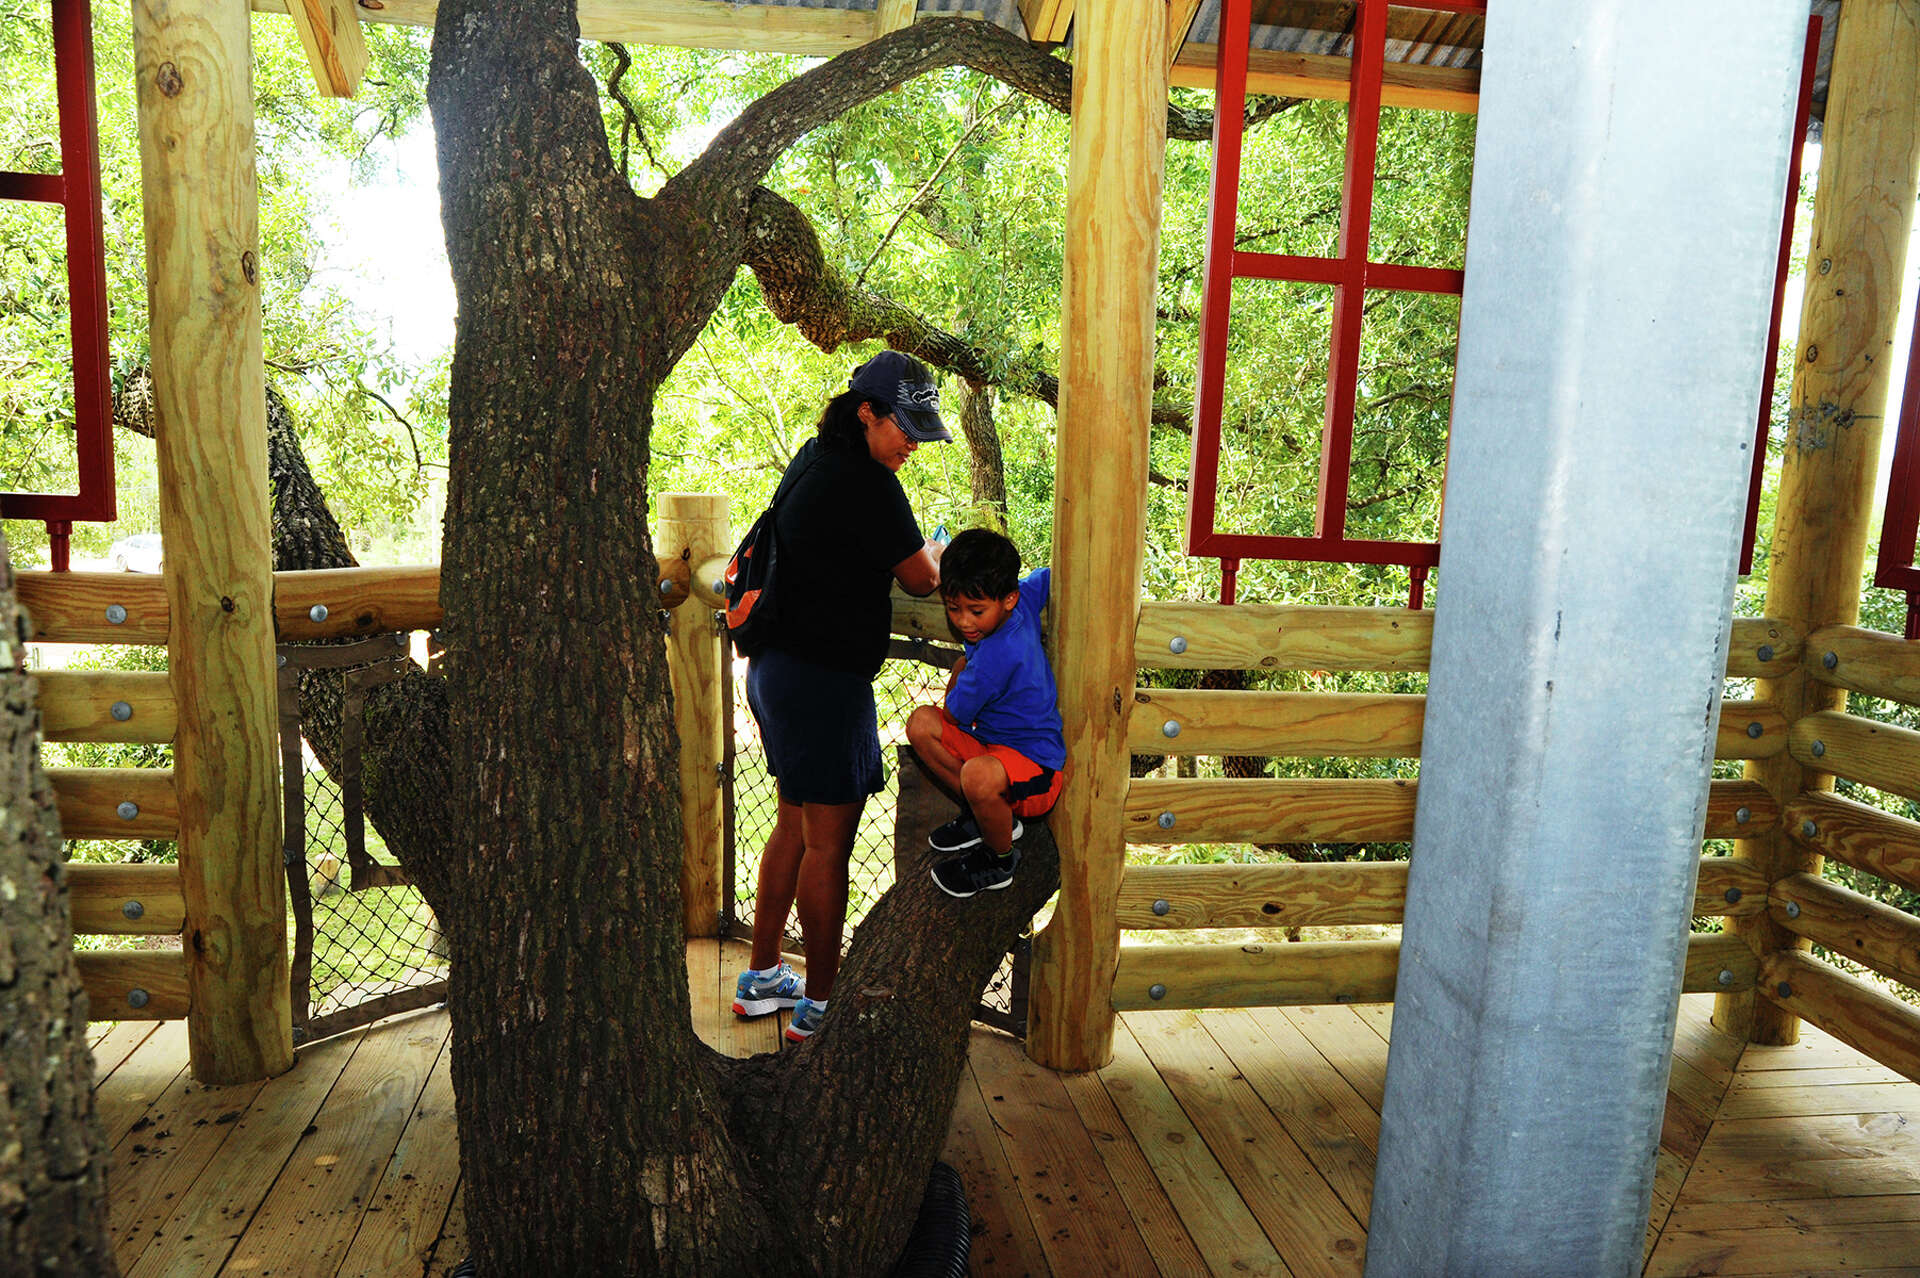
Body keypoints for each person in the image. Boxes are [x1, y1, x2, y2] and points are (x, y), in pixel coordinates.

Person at [731, 350, 948, 1042]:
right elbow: (919, 580)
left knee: (793, 826)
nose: (912, 443)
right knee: (829, 847)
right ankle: (821, 1007)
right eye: (905, 428)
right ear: (867, 413)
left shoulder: (813, 457)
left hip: (773, 670)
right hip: (824, 682)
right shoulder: (872, 484)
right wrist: (937, 556)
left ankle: (764, 978)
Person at [904, 529, 1065, 898]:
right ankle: (986, 816)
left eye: (976, 611)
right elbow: (1048, 577)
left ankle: (999, 858)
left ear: (1008, 599)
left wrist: (960, 669)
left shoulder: (994, 657)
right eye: (953, 607)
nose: (963, 622)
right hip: (992, 750)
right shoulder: (1022, 600)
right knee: (920, 724)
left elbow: (956, 712)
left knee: (975, 773)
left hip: (1035, 768)